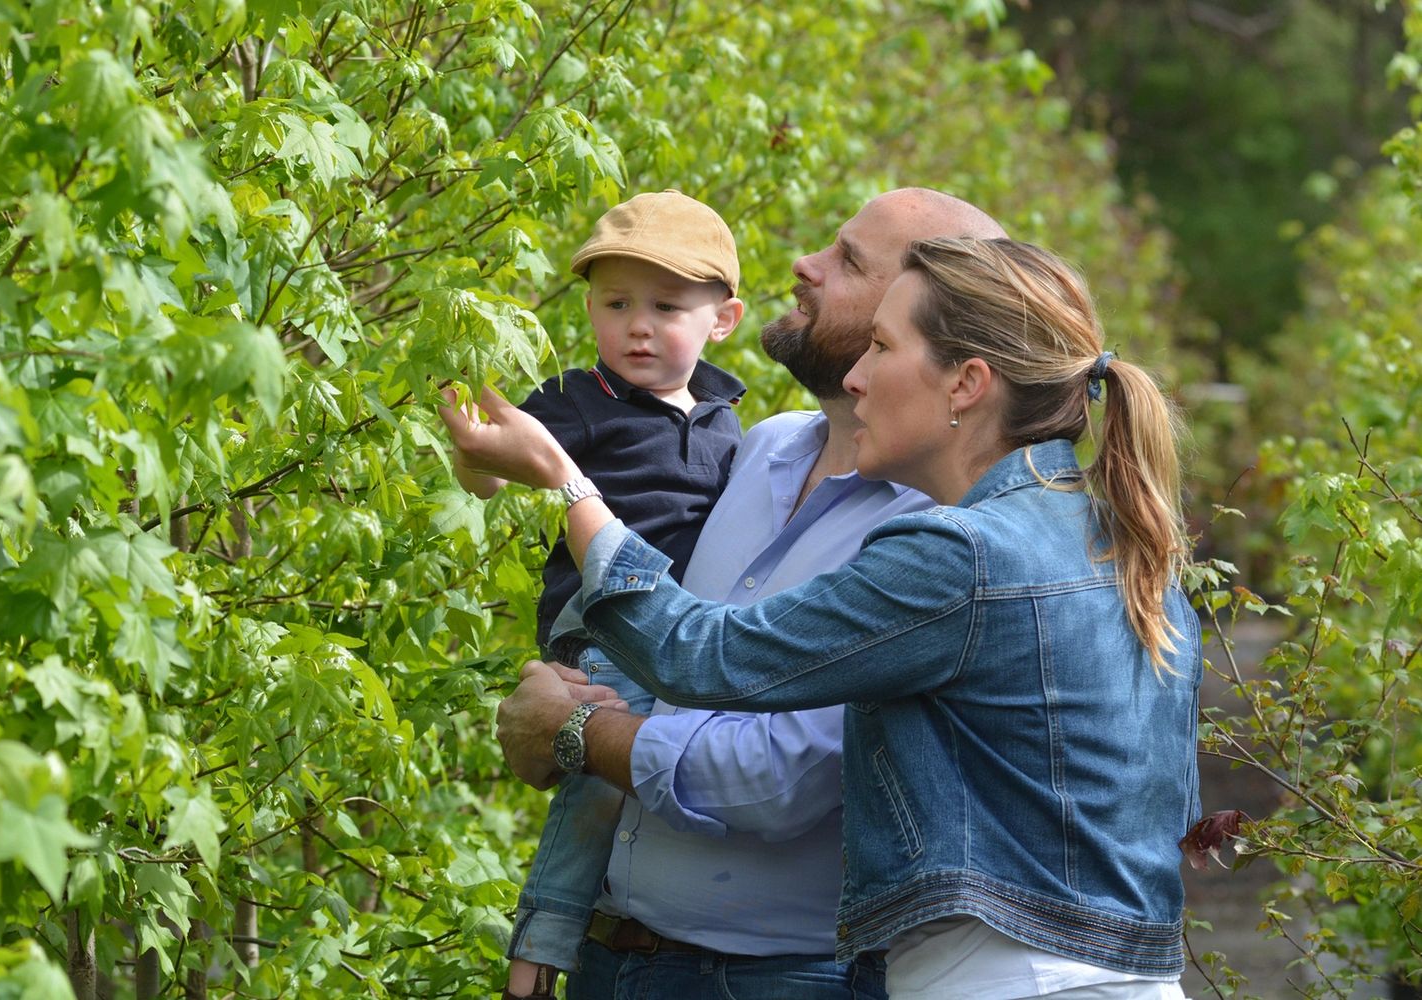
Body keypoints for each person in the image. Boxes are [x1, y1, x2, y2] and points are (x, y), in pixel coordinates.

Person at [442, 237, 1201, 999]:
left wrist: (568, 487)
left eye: (880, 346)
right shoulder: (1125, 538)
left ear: (966, 383)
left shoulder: (961, 554)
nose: (856, 375)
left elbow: (703, 658)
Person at [501, 189, 1007, 1000]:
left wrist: (577, 732)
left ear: (920, 320)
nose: (803, 266)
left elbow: (774, 782)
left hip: (779, 980)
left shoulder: (937, 535)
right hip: (614, 955)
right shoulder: (759, 446)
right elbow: (664, 656)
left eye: (847, 261)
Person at [454, 190, 747, 1000]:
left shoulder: (727, 422)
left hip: (683, 623)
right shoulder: (577, 399)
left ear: (722, 319)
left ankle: (613, 927)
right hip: (604, 614)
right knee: (593, 767)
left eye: (664, 306)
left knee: (659, 772)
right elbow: (492, 473)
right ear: (589, 306)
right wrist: (473, 454)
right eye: (615, 304)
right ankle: (534, 955)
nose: (637, 326)